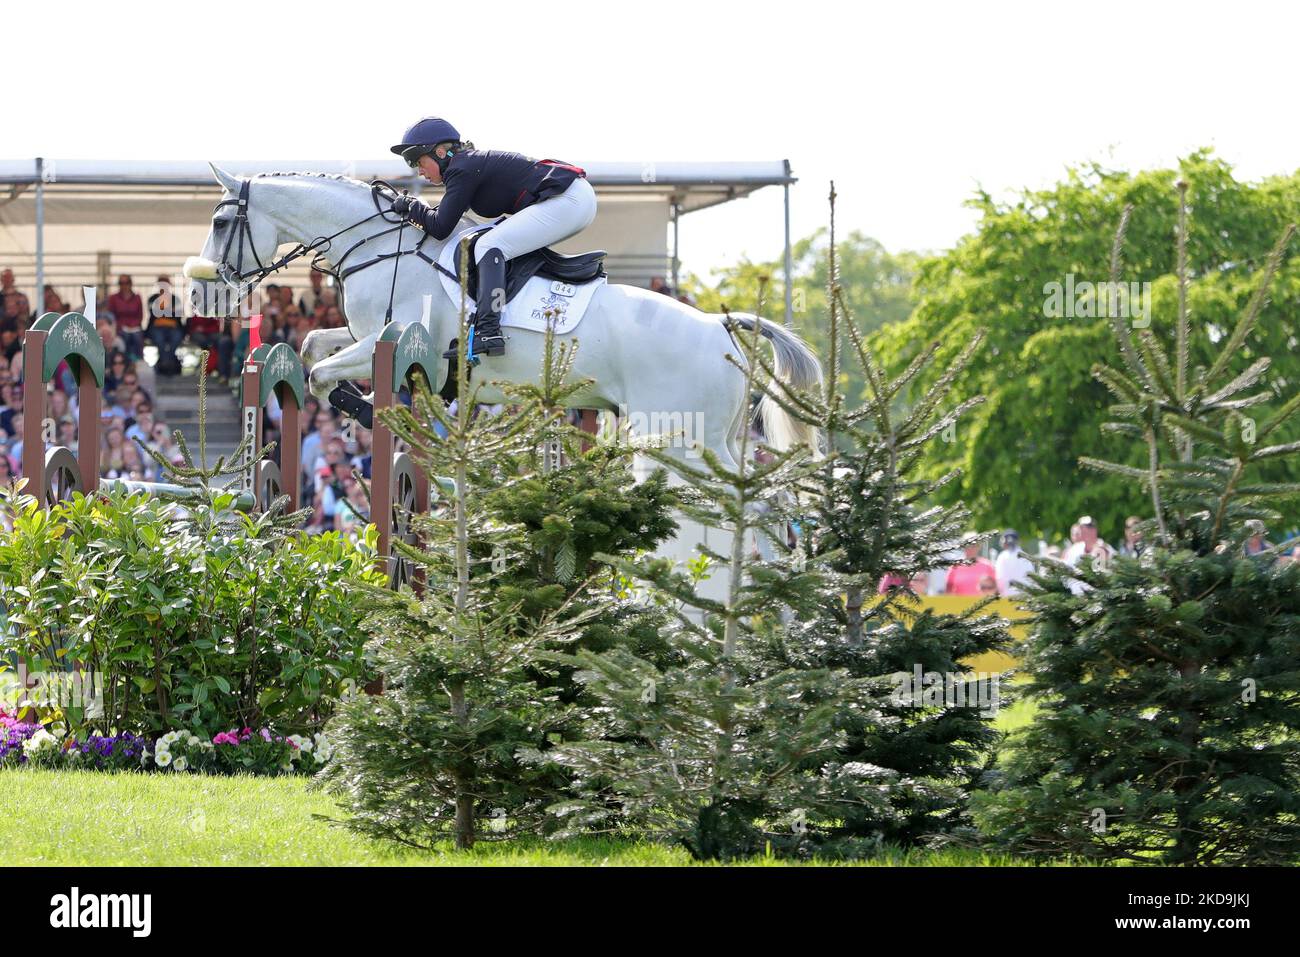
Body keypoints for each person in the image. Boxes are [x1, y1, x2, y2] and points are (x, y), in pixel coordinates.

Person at [387, 117, 597, 359]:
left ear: (441, 152)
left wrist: (410, 207)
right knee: (492, 241)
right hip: (572, 198)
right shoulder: (466, 165)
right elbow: (443, 220)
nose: (418, 170)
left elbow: (440, 226)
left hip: (568, 200)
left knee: (489, 244)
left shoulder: (461, 168)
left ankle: (488, 330)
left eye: (418, 161)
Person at [1062, 515, 1115, 594]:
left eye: (1087, 528)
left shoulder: (1106, 549)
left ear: (1094, 530)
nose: (1083, 531)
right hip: (1074, 596)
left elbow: (1107, 576)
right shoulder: (1074, 549)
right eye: (1081, 528)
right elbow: (1065, 570)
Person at [994, 529, 1035, 597]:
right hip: (1026, 597)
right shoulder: (1026, 556)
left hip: (1007, 598)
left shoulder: (1002, 556)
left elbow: (999, 579)